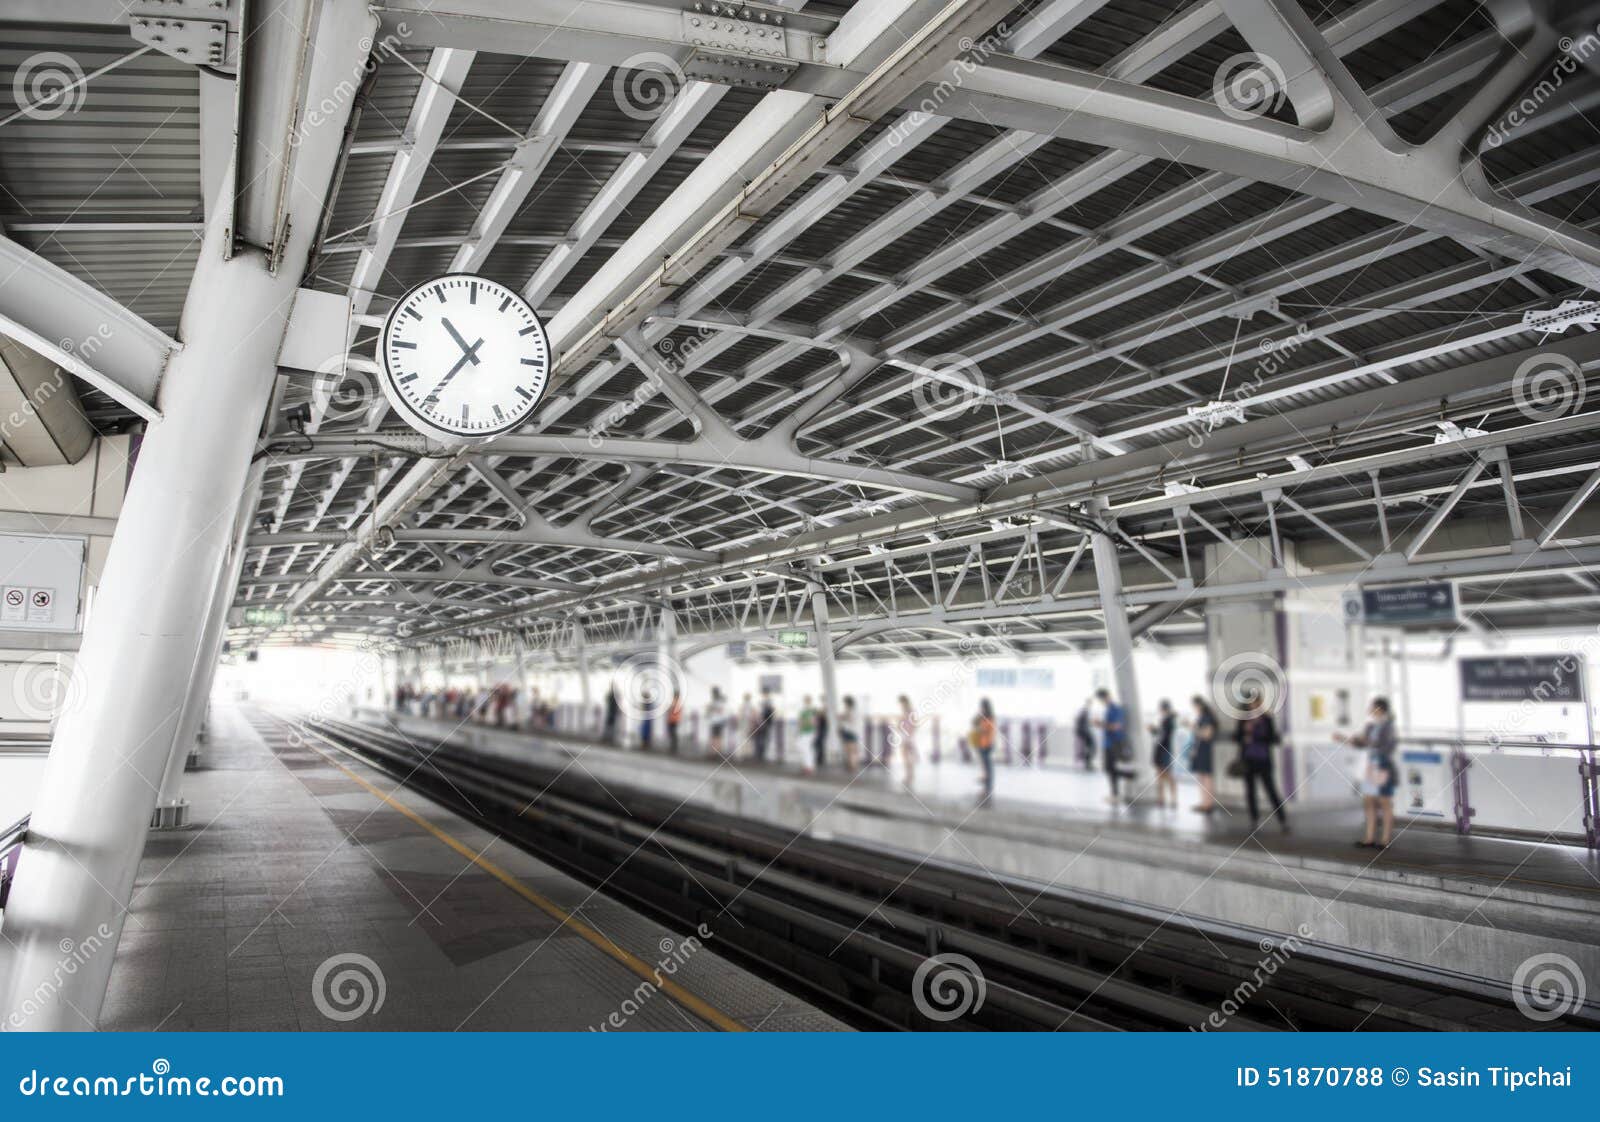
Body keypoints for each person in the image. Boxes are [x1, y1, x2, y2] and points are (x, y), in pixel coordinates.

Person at [1340, 696, 1397, 850]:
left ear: (1380, 709)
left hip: (1382, 765)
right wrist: (1346, 739)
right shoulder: (1370, 726)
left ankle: (1385, 840)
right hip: (1370, 766)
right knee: (1369, 801)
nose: (1370, 709)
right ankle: (1369, 838)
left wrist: (1370, 744)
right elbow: (1362, 744)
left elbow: (1388, 747)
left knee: (1384, 802)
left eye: (1373, 707)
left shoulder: (1388, 727)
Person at [1235, 695, 1289, 832]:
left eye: (1255, 703)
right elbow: (1236, 737)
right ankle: (1254, 820)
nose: (1253, 706)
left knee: (1271, 790)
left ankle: (1282, 820)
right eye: (1251, 704)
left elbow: (1273, 738)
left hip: (1263, 759)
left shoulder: (1267, 718)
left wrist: (1259, 736)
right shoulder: (1243, 719)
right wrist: (1244, 735)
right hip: (1248, 760)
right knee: (1250, 791)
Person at [1094, 688, 1128, 804]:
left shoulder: (1116, 709)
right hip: (1107, 743)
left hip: (1114, 743)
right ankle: (1114, 793)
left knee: (1113, 768)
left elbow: (1117, 727)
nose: (1102, 701)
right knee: (1108, 768)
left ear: (1107, 696)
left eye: (1102, 698)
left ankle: (1117, 793)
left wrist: (1101, 724)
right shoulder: (1108, 709)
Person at [1187, 696, 1219, 813]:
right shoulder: (1202, 717)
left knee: (1206, 777)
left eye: (1194, 706)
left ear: (1199, 705)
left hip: (1205, 750)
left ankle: (1208, 805)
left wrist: (1193, 728)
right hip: (1200, 750)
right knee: (1202, 777)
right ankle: (1204, 803)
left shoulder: (1206, 717)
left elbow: (1207, 735)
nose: (1194, 709)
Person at [1149, 699, 1177, 809]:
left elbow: (1163, 736)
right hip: (1161, 749)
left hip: (1163, 750)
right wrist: (1154, 730)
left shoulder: (1168, 721)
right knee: (1161, 774)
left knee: (1167, 775)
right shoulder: (1167, 720)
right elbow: (1161, 734)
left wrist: (1154, 730)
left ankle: (1170, 799)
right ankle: (1162, 799)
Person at [973, 698, 997, 799]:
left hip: (987, 745)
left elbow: (985, 730)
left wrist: (980, 728)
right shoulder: (983, 718)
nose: (981, 708)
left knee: (987, 768)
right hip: (981, 744)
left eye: (982, 707)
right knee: (984, 768)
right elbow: (974, 723)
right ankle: (985, 789)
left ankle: (987, 790)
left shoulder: (990, 718)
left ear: (986, 707)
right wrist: (979, 715)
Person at [893, 695, 917, 787]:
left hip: (907, 736)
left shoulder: (909, 711)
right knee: (906, 757)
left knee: (906, 757)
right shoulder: (908, 711)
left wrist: (909, 735)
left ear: (904, 702)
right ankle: (909, 775)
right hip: (906, 735)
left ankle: (909, 776)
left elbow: (913, 725)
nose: (900, 704)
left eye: (900, 702)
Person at [839, 696, 861, 770]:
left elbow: (850, 719)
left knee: (852, 750)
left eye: (845, 703)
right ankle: (851, 764)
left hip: (851, 732)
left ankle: (853, 765)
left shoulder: (852, 710)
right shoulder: (848, 710)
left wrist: (843, 716)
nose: (844, 704)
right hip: (847, 731)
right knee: (848, 750)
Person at [753, 689, 775, 762]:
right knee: (761, 739)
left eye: (765, 693)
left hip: (766, 723)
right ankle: (760, 754)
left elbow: (770, 713)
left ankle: (762, 755)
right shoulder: (763, 702)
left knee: (765, 739)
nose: (764, 695)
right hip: (762, 723)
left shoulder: (768, 702)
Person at [797, 696, 817, 773]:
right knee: (803, 747)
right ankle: (806, 765)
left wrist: (803, 722)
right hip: (805, 732)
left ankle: (808, 766)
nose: (806, 702)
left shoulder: (810, 711)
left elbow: (812, 722)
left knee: (806, 749)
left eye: (807, 700)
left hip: (808, 732)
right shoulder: (804, 710)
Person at [1074, 700, 1095, 770]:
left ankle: (1087, 762)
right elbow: (1082, 722)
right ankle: (1085, 763)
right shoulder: (1084, 711)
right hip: (1082, 733)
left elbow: (1085, 722)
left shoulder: (1084, 711)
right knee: (1083, 748)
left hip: (1083, 732)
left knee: (1088, 748)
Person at [707, 687, 728, 756]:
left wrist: (711, 708)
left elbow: (718, 710)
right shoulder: (718, 701)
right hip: (716, 721)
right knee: (716, 737)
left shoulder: (717, 701)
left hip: (717, 721)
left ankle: (715, 752)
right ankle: (715, 751)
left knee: (716, 737)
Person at [666, 689, 684, 755]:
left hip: (674, 720)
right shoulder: (675, 702)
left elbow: (673, 710)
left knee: (673, 734)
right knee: (672, 734)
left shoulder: (676, 703)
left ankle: (674, 748)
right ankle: (672, 747)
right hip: (672, 720)